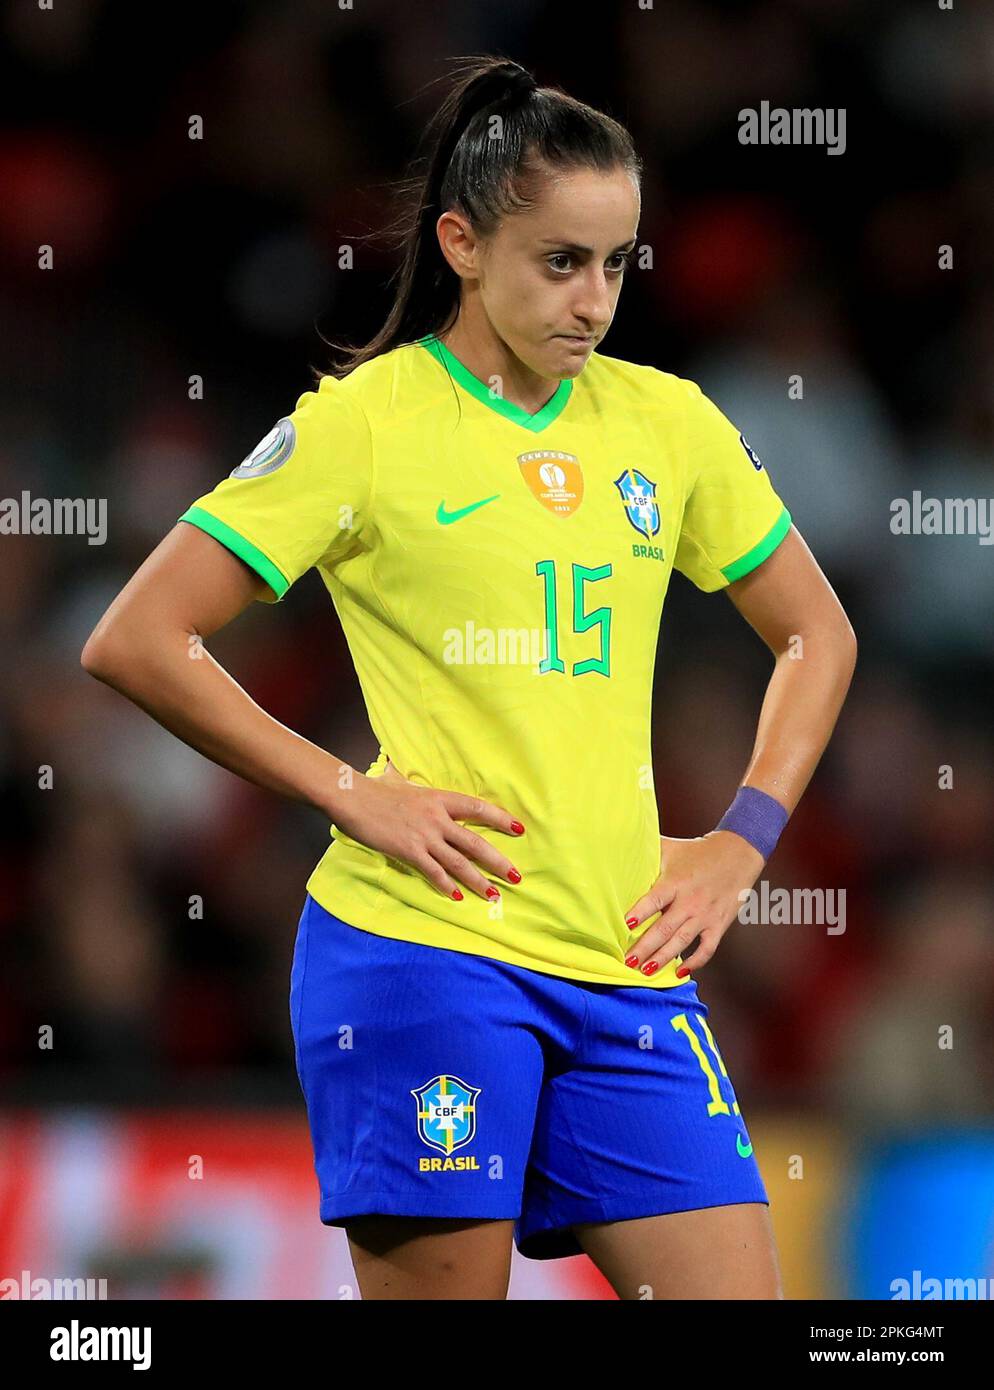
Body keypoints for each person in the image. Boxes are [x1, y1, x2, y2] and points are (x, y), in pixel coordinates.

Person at [81, 55, 857, 1300]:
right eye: (560, 261)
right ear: (460, 242)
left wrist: (741, 838)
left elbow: (819, 635)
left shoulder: (670, 425)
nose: (593, 299)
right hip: (425, 959)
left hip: (625, 965)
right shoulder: (363, 427)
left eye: (615, 263)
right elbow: (136, 637)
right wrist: (349, 791)